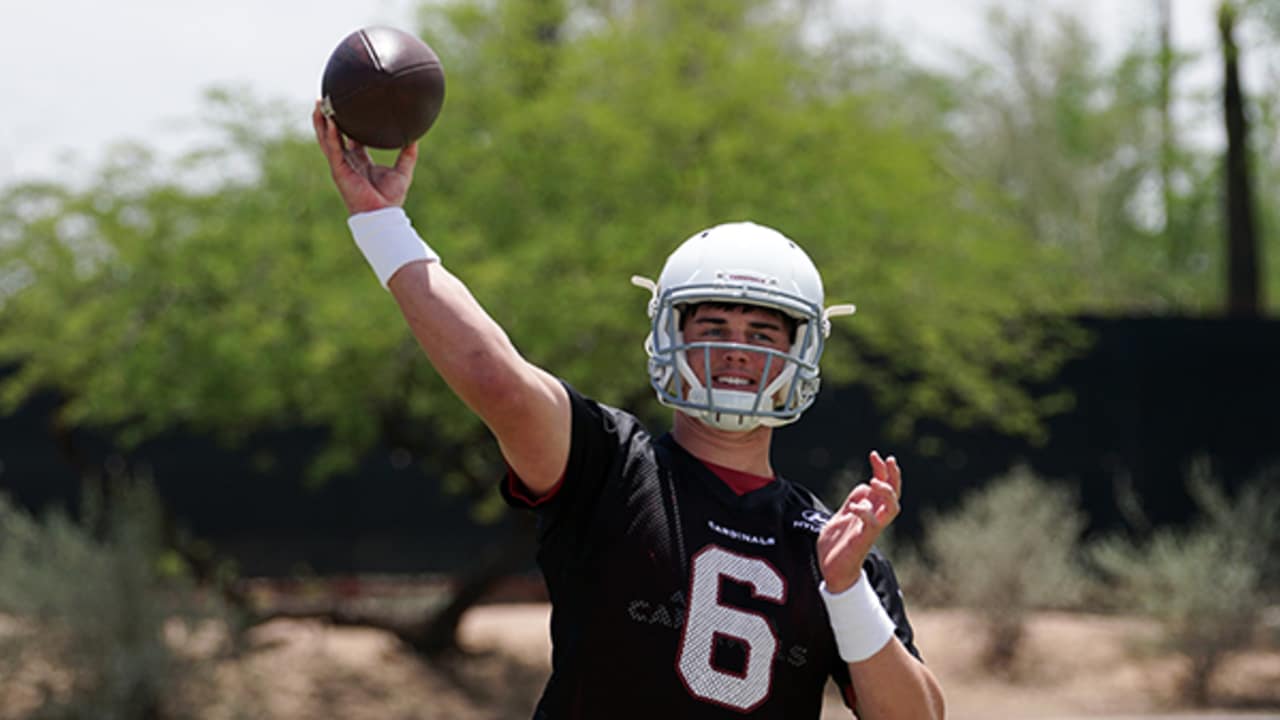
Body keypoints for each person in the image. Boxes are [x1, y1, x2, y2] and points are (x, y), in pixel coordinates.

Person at [312, 104, 945, 720]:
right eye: (714, 327)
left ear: (799, 354)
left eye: (761, 336)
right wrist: (384, 225)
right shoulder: (613, 469)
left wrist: (844, 588)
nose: (735, 352)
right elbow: (497, 381)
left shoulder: (830, 544)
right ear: (670, 338)